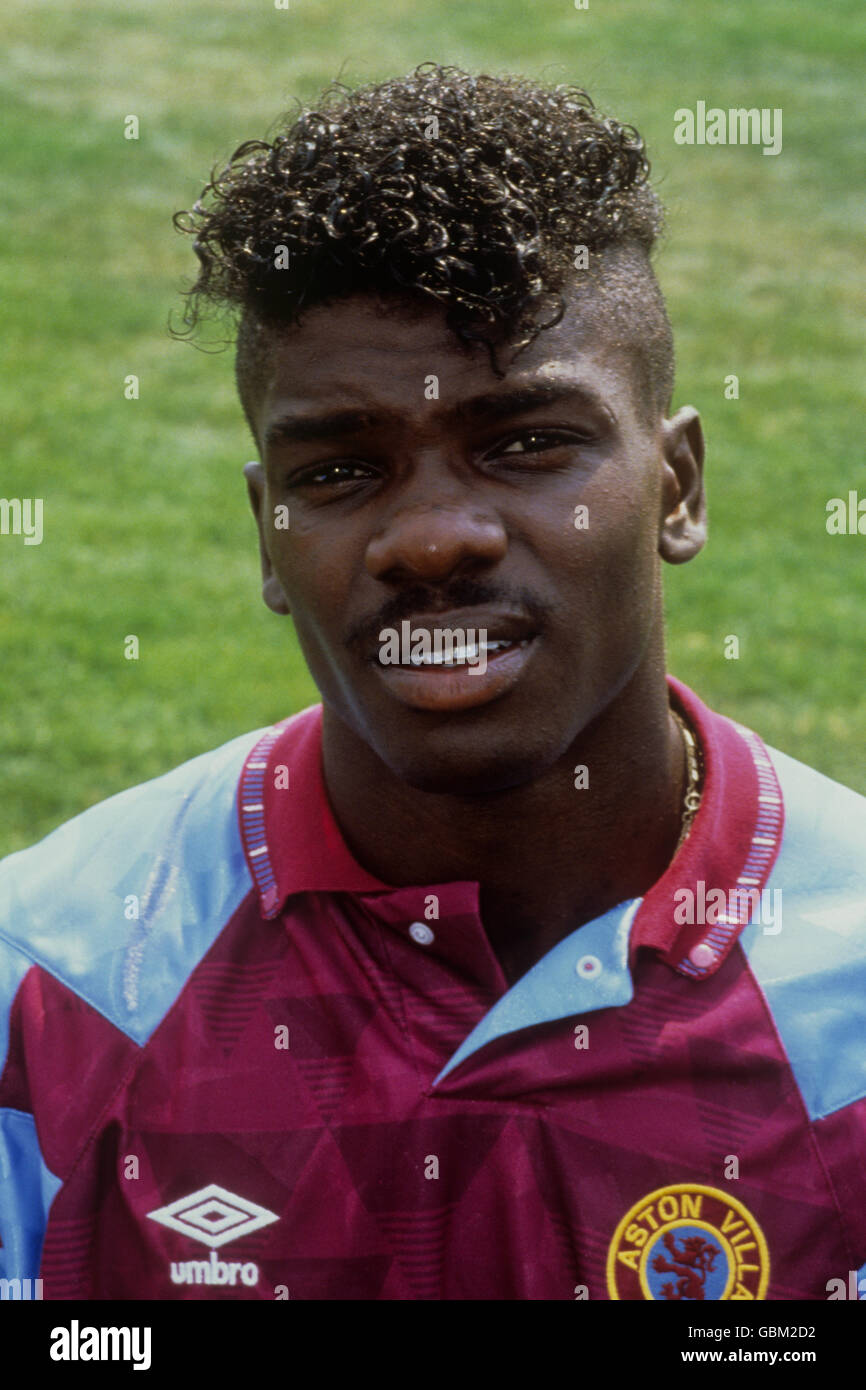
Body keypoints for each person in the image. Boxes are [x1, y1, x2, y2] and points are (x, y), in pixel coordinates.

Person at [1, 63, 864, 1303]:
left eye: (523, 444)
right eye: (344, 471)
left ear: (676, 489)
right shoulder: (54, 978)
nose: (430, 539)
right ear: (267, 536)